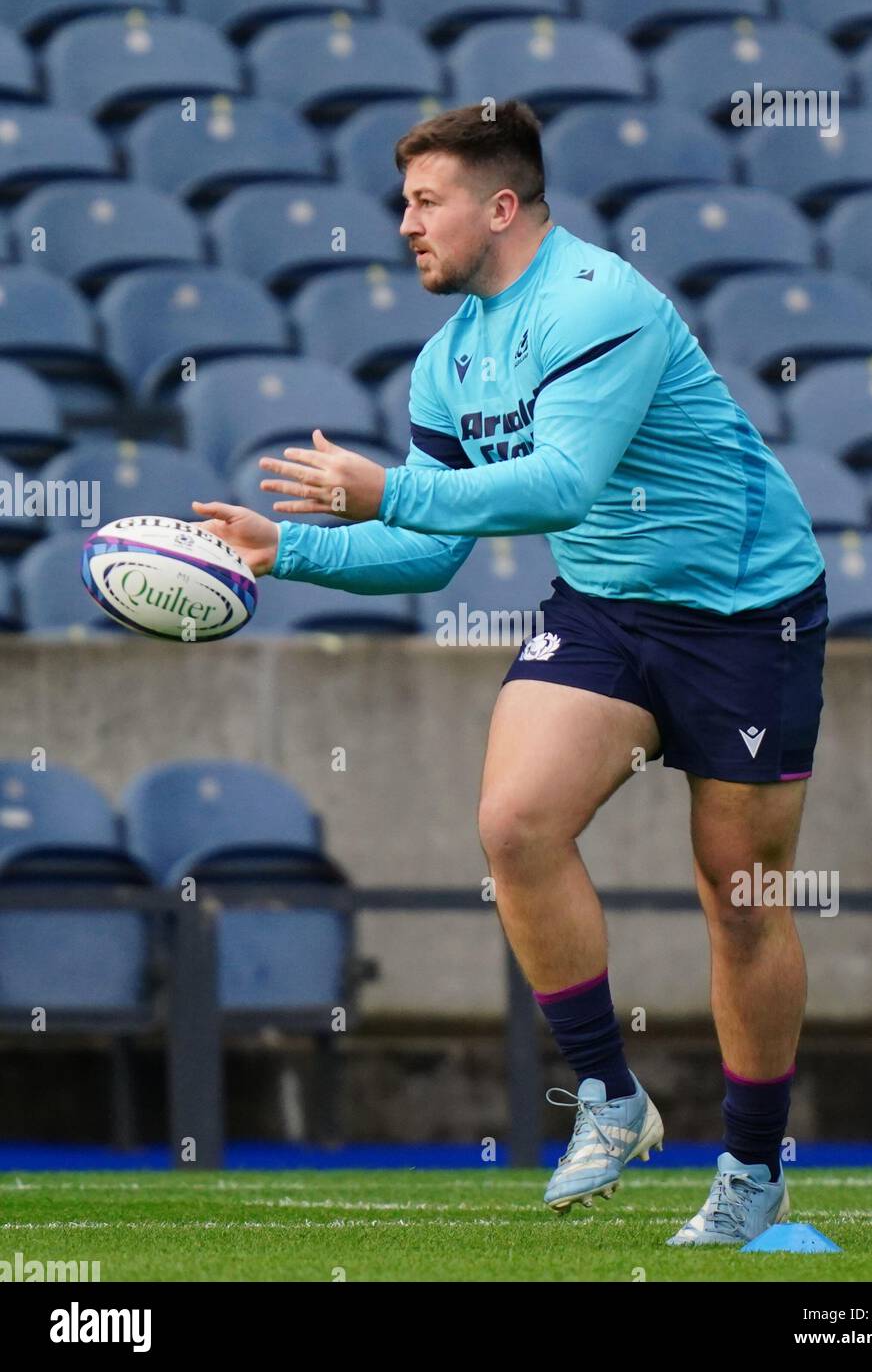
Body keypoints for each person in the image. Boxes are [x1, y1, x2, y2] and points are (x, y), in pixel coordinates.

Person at [193, 99, 828, 1245]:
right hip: (605, 609)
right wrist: (287, 548)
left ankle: (751, 1170)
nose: (403, 225)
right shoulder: (447, 362)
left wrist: (387, 487)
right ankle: (608, 1095)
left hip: (749, 611)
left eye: (423, 201)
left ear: (500, 205)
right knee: (515, 823)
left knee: (739, 896)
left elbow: (562, 484)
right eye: (401, 204)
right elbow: (433, 548)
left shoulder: (602, 302)